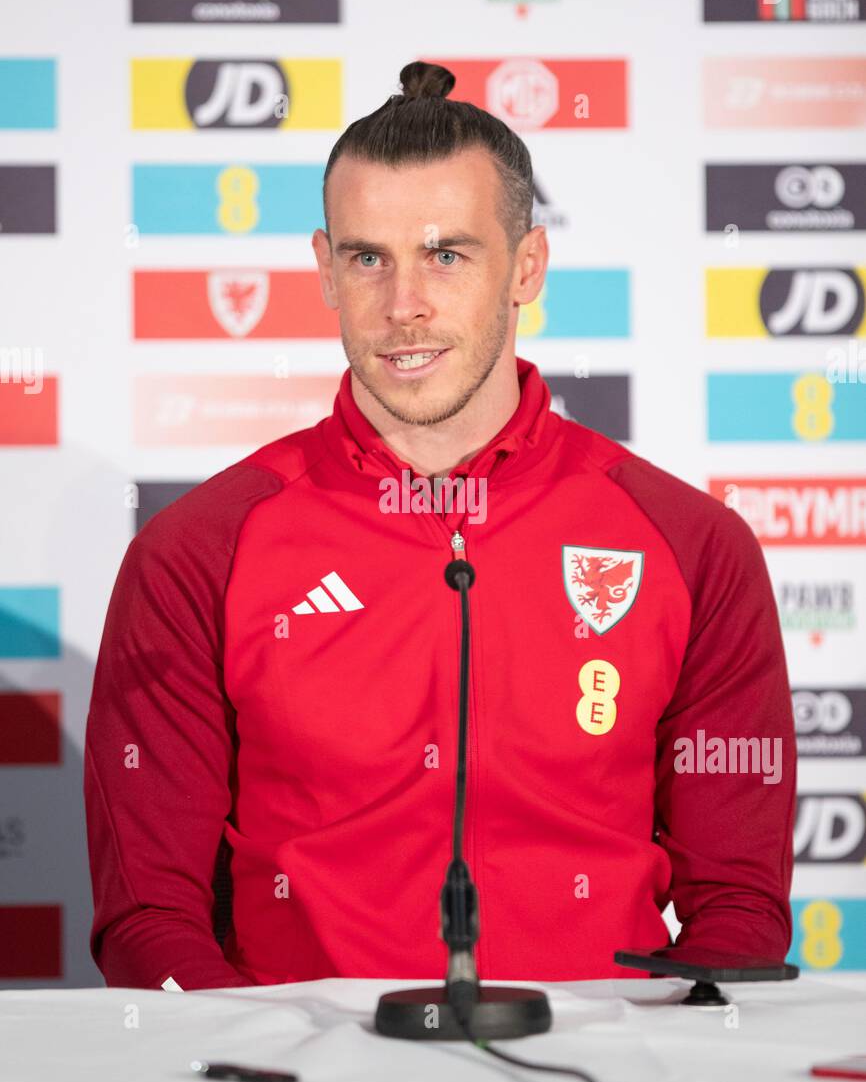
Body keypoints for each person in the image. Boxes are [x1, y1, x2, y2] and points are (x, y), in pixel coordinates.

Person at [83, 61, 796, 990]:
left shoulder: (692, 544)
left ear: (526, 267)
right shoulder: (197, 552)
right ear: (325, 269)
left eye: (446, 255)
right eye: (366, 257)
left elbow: (739, 906)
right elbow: (148, 919)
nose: (402, 304)